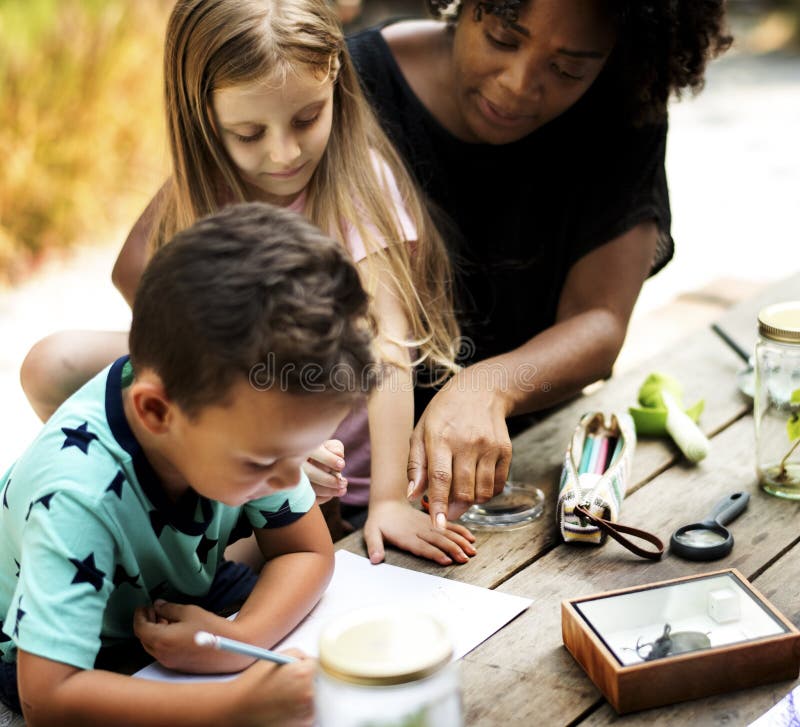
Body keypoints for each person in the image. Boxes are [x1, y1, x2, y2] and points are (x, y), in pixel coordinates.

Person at [20, 0, 476, 567]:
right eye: (248, 131)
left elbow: (387, 350)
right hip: (234, 457)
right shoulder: (204, 187)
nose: (283, 154)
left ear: (336, 81)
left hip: (325, 468)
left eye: (307, 118)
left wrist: (386, 500)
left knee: (224, 575)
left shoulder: (352, 181)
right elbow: (132, 269)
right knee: (51, 363)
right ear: (203, 115)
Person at [345, 0, 733, 527]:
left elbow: (600, 319)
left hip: (535, 465)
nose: (518, 84)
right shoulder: (352, 85)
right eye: (504, 39)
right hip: (350, 486)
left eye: (568, 68)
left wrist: (491, 385)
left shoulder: (625, 105)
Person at [0, 201, 377, 725]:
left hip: (188, 598)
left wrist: (238, 640)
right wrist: (238, 704)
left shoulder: (245, 422)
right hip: (68, 647)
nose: (292, 479)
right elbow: (49, 698)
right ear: (156, 412)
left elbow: (306, 553)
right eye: (266, 463)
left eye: (296, 455)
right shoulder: (77, 495)